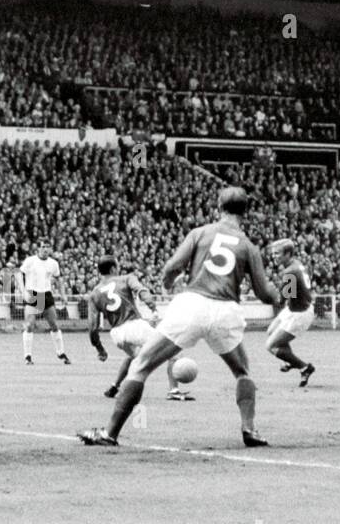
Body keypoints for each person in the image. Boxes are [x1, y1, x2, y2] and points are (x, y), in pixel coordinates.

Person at [78, 186, 282, 448]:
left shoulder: (200, 233)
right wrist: (282, 295)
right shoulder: (249, 246)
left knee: (141, 365)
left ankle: (110, 434)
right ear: (246, 211)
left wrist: (169, 280)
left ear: (218, 206)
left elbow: (172, 267)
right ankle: (249, 429)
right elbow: (265, 293)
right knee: (242, 372)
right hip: (226, 310)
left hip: (193, 303)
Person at [85, 255, 186, 400]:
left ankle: (115, 387)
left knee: (134, 357)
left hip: (117, 334)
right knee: (173, 349)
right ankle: (174, 391)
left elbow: (92, 327)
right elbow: (141, 290)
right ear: (113, 268)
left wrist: (100, 349)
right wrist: (151, 305)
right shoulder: (126, 278)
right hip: (134, 326)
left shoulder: (94, 293)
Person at [264, 238, 316, 387]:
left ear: (288, 254)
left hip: (299, 313)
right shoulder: (295, 265)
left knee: (271, 346)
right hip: (294, 308)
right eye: (273, 253)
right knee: (271, 331)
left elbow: (282, 299)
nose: (274, 256)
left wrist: (269, 293)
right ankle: (289, 360)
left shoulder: (290, 272)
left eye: (277, 253)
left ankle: (304, 367)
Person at [18, 242, 70, 365]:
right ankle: (27, 356)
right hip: (33, 294)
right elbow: (19, 274)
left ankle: (61, 352)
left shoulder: (53, 263)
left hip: (46, 294)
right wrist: (23, 290)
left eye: (47, 247)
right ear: (38, 249)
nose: (45, 249)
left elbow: (58, 279)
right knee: (30, 325)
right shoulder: (30, 261)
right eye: (43, 247)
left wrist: (63, 294)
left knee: (54, 324)